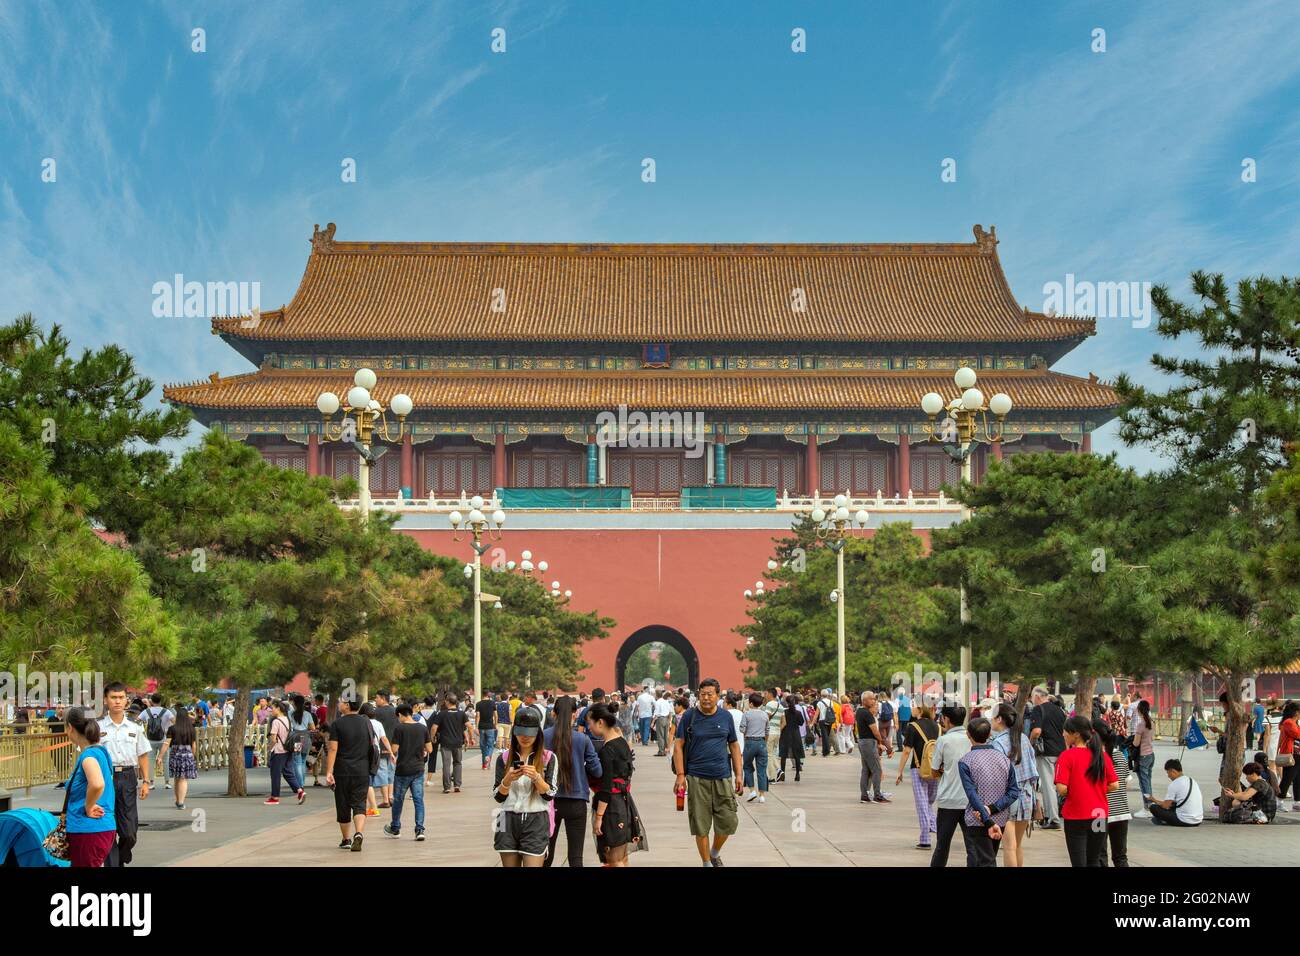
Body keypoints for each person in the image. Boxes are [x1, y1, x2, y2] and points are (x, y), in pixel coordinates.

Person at [673, 678, 743, 867]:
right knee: (701, 825)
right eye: (702, 694)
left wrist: (739, 774)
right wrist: (681, 775)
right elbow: (678, 745)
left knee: (729, 822)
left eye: (709, 694)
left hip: (722, 776)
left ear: (718, 696)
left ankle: (714, 852)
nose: (705, 698)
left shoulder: (725, 716)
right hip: (697, 778)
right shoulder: (689, 716)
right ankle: (706, 863)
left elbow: (734, 746)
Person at [493, 706, 558, 867]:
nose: (525, 737)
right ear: (514, 731)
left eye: (530, 733)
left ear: (538, 733)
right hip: (505, 818)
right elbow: (498, 797)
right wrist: (507, 780)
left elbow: (549, 794)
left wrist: (537, 777)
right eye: (521, 732)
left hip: (535, 818)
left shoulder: (548, 758)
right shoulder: (503, 758)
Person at [542, 695, 602, 867]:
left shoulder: (543, 737)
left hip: (548, 801)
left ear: (553, 714)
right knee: (576, 857)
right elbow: (597, 771)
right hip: (576, 800)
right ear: (575, 715)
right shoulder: (582, 739)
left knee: (546, 854)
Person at [97, 682, 150, 867]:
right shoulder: (98, 728)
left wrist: (146, 781)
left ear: (126, 700)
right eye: (113, 697)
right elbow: (88, 754)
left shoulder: (134, 727)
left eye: (120, 697)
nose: (117, 701)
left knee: (129, 831)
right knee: (108, 826)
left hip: (127, 777)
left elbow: (142, 754)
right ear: (106, 700)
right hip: (105, 778)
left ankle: (121, 854)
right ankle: (114, 863)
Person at [1054, 714, 1118, 866]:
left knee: (1079, 862)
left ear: (1075, 734)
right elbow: (1115, 784)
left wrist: (1078, 790)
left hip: (1076, 816)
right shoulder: (1101, 756)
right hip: (1099, 815)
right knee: (1093, 860)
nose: (1063, 734)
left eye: (1065, 731)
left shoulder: (1066, 756)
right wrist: (1094, 790)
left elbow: (1061, 789)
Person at [956, 717, 1019, 867]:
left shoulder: (966, 761)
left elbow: (971, 794)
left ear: (968, 735)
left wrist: (986, 816)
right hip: (1000, 817)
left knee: (984, 861)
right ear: (990, 733)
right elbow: (1014, 791)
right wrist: (993, 809)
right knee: (987, 858)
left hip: (977, 818)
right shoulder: (1004, 759)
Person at [588, 701, 645, 867]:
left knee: (614, 859)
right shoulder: (622, 743)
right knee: (622, 857)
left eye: (590, 723)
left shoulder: (607, 750)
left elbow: (606, 787)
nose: (589, 728)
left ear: (600, 722)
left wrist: (598, 818)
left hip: (612, 807)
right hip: (625, 802)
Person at [63, 707, 117, 868]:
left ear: (70, 727)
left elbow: (97, 783)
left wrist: (89, 806)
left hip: (87, 828)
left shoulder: (88, 756)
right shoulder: (101, 752)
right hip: (101, 827)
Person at [989, 702, 1037, 867]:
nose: (991, 720)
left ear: (1000, 719)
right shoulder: (1023, 738)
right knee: (1017, 844)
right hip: (1027, 796)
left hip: (1009, 798)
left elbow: (997, 776)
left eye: (993, 717)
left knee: (1009, 847)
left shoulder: (998, 743)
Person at [325, 696, 374, 852]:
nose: (339, 704)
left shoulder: (337, 724)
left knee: (343, 804)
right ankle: (358, 833)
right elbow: (371, 745)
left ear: (347, 705)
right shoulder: (366, 722)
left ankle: (346, 839)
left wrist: (329, 771)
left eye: (341, 702)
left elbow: (333, 749)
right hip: (362, 769)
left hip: (342, 770)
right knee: (360, 803)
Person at [929, 705, 971, 868]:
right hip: (970, 800)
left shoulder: (943, 740)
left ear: (946, 719)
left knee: (942, 846)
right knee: (972, 846)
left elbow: (934, 771)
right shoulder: (971, 737)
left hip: (948, 800)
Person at [896, 703, 941, 850]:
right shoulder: (938, 727)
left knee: (922, 802)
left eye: (914, 707)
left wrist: (900, 771)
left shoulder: (912, 727)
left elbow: (907, 751)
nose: (911, 709)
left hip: (918, 768)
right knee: (929, 801)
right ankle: (933, 825)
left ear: (920, 710)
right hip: (935, 770)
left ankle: (925, 839)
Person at [384, 704, 431, 840]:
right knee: (418, 800)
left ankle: (395, 828)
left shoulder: (399, 728)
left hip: (403, 769)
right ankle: (419, 829)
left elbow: (394, 749)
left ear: (400, 715)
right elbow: (430, 749)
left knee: (398, 800)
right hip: (418, 769)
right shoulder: (422, 728)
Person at [1026, 685, 1066, 830]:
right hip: (1061, 751)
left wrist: (1029, 743)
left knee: (1048, 786)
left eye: (1032, 697)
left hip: (1046, 752)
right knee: (1058, 785)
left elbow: (1036, 731)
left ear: (1037, 696)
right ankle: (1053, 815)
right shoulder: (1059, 710)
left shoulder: (1038, 709)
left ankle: (1053, 819)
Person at [1094, 718, 1131, 866]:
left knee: (1099, 854)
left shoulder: (1094, 758)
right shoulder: (1120, 756)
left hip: (1098, 813)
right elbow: (1126, 783)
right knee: (1121, 856)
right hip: (1122, 813)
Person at [266, 699, 306, 806]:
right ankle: (300, 791)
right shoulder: (287, 720)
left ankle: (275, 797)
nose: (271, 710)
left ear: (278, 708)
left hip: (278, 751)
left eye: (273, 708)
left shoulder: (276, 721)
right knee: (288, 773)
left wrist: (270, 749)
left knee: (275, 774)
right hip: (288, 750)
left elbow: (273, 739)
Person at [158, 706, 198, 810]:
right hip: (188, 755)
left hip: (175, 755)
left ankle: (178, 800)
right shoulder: (191, 729)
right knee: (183, 779)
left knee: (177, 778)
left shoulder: (172, 728)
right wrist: (193, 756)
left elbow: (166, 743)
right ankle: (180, 801)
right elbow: (194, 745)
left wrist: (160, 756)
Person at [855, 691, 890, 803]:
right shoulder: (866, 713)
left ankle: (864, 795)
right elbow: (875, 731)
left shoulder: (859, 711)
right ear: (864, 700)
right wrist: (881, 741)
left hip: (862, 742)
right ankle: (877, 795)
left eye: (874, 699)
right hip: (869, 742)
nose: (873, 701)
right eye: (871, 699)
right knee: (876, 769)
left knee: (866, 769)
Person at [431, 694, 470, 793]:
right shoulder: (462, 714)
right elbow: (469, 726)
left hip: (445, 743)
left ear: (447, 701)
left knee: (446, 764)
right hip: (458, 743)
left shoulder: (442, 714)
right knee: (458, 763)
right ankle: (457, 785)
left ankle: (447, 787)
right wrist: (469, 738)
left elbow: (434, 727)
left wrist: (432, 737)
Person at [1148, 758, 1203, 827]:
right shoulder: (1192, 780)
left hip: (1184, 821)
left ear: (1173, 771)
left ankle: (1165, 820)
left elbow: (1165, 806)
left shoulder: (1174, 784)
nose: (1168, 776)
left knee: (1153, 807)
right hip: (1198, 820)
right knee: (1173, 804)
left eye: (1168, 773)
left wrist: (1154, 801)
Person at [1129, 698, 1157, 818]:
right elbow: (1153, 738)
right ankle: (1149, 806)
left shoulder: (1141, 725)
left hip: (1143, 756)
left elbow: (1136, 743)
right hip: (1151, 755)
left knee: (1144, 783)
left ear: (1139, 711)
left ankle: (1148, 807)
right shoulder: (1152, 722)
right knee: (1148, 781)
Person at [740, 692, 770, 804]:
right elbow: (767, 730)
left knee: (747, 767)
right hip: (762, 742)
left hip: (750, 742)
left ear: (751, 703)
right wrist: (764, 741)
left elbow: (742, 729)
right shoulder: (764, 715)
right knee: (762, 769)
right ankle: (762, 795)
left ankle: (752, 790)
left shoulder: (746, 714)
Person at [141, 694, 173, 786]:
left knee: (150, 761)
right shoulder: (166, 712)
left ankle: (151, 783)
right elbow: (174, 721)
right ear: (161, 701)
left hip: (150, 740)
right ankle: (167, 782)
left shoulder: (146, 711)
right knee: (165, 760)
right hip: (163, 739)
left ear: (151, 701)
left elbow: (138, 721)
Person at [1276, 701, 1300, 811]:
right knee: (1287, 778)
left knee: (1298, 779)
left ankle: (1297, 802)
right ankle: (1278, 801)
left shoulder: (1295, 722)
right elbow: (1297, 734)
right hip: (1292, 755)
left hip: (1297, 754)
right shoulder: (1289, 722)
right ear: (1296, 712)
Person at [777, 693, 805, 783]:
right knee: (797, 755)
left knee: (783, 755)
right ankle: (797, 774)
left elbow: (781, 722)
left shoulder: (784, 712)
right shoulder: (798, 713)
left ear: (787, 702)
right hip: (795, 734)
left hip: (785, 734)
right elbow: (801, 723)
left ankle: (783, 774)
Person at [475, 690, 498, 770]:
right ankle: (488, 757)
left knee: (483, 746)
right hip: (490, 727)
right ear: (488, 694)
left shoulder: (478, 704)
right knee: (490, 745)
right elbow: (495, 715)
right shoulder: (492, 703)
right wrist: (495, 724)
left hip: (481, 727)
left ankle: (484, 765)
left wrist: (476, 727)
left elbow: (477, 716)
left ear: (482, 695)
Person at [653, 690, 673, 756]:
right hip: (667, 719)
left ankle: (661, 751)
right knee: (665, 735)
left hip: (660, 719)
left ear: (656, 695)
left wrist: (653, 722)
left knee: (660, 736)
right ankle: (666, 750)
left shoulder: (657, 702)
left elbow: (656, 713)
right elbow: (670, 712)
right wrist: (670, 721)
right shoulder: (666, 701)